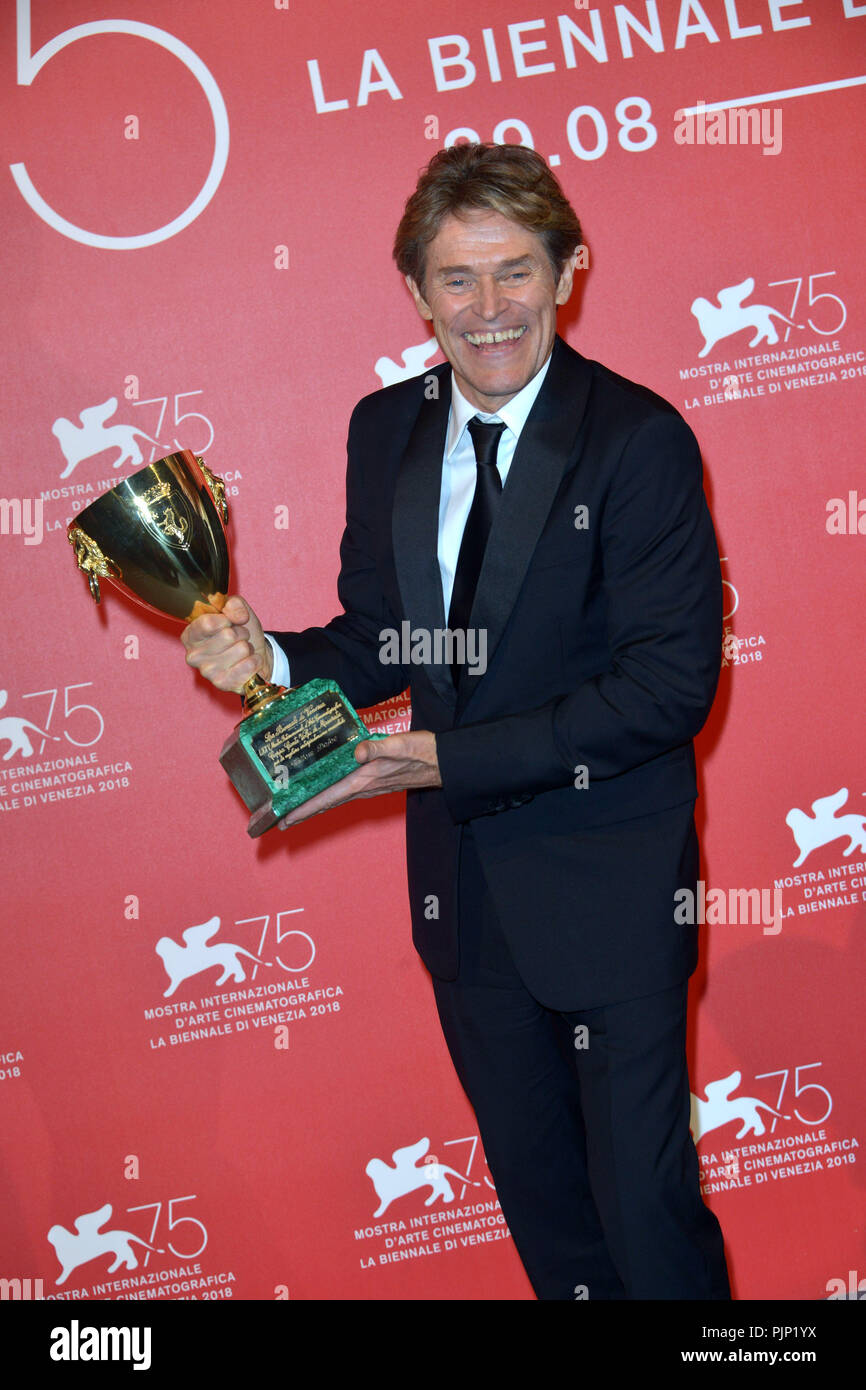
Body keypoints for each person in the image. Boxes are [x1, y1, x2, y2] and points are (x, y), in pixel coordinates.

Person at [183, 143, 731, 1301]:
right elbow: (384, 634)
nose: (489, 311)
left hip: (608, 888)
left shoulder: (635, 440)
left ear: (567, 272)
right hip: (467, 898)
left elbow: (666, 685)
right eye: (456, 279)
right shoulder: (384, 427)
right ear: (415, 291)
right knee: (546, 1217)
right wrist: (267, 655)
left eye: (515, 272)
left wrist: (438, 760)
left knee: (643, 1216)